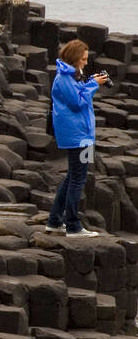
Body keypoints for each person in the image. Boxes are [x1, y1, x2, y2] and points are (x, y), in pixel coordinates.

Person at [47, 39, 108, 237]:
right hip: (78, 136)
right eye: (83, 59)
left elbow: (79, 94)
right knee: (78, 179)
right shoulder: (64, 78)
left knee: (73, 176)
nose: (85, 63)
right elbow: (77, 103)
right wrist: (94, 85)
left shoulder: (72, 75)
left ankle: (55, 221)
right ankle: (73, 226)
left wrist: (90, 82)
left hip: (84, 135)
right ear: (74, 59)